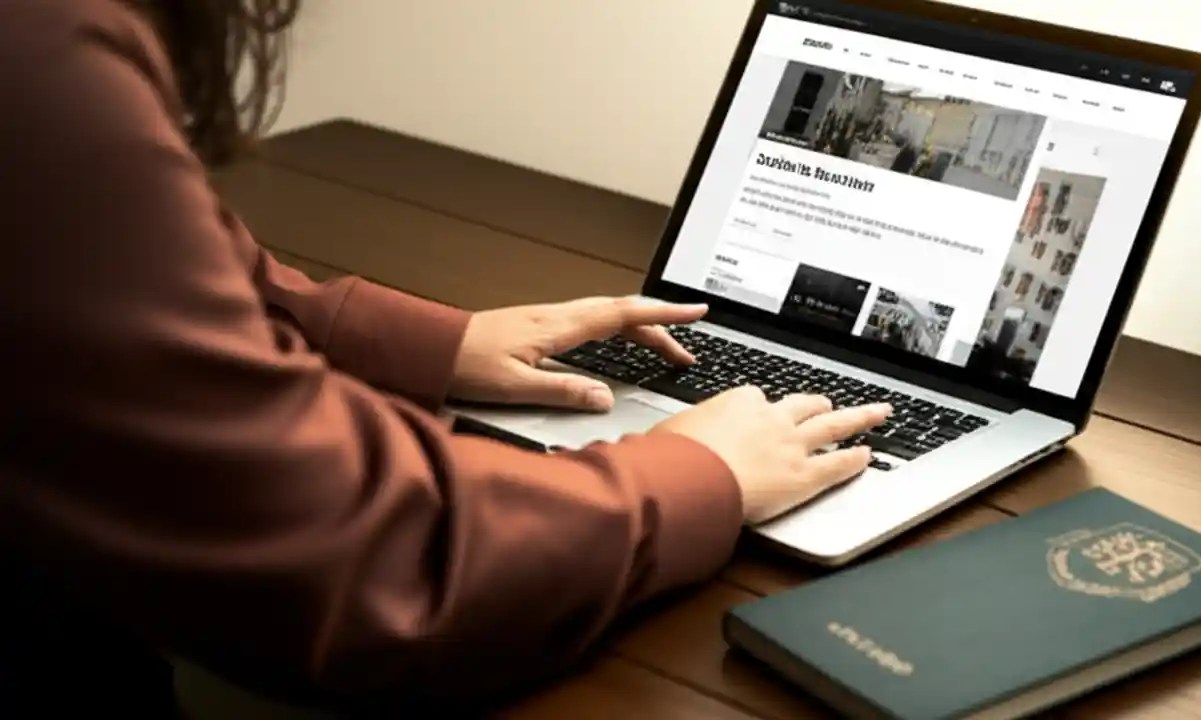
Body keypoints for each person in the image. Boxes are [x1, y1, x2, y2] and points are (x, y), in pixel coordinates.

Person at [0, 0, 892, 715]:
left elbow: (111, 274)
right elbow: (375, 564)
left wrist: (439, 340)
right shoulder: (41, 63)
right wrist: (701, 472)